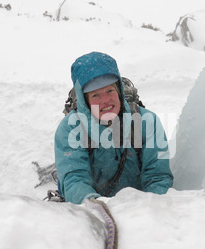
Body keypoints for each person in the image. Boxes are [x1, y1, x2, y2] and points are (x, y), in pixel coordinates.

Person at [54, 52, 173, 204]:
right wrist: (95, 206)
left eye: (109, 91)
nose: (105, 100)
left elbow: (158, 176)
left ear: (119, 91)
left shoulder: (146, 122)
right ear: (85, 101)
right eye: (95, 95)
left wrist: (150, 207)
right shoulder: (70, 129)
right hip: (93, 210)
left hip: (140, 209)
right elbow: (75, 179)